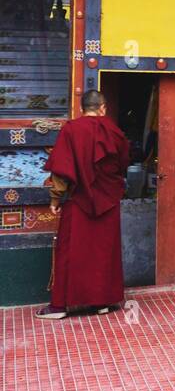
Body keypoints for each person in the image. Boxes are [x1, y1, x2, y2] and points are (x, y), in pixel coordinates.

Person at [36, 89, 130, 319]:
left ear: (81, 108)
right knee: (103, 254)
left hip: (79, 201)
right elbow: (123, 164)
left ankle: (60, 307)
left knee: (70, 251)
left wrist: (56, 199)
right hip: (107, 202)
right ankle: (102, 302)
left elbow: (62, 168)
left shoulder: (71, 130)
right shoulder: (115, 132)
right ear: (103, 108)